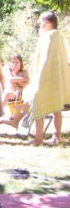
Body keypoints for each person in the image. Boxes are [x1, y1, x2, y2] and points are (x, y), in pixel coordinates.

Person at [22, 11, 70, 145]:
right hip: (53, 77)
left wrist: (40, 79)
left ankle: (39, 139)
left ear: (49, 22)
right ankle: (55, 136)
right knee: (56, 108)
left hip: (48, 77)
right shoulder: (53, 36)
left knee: (40, 104)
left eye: (42, 22)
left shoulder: (52, 36)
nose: (40, 24)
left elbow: (47, 59)